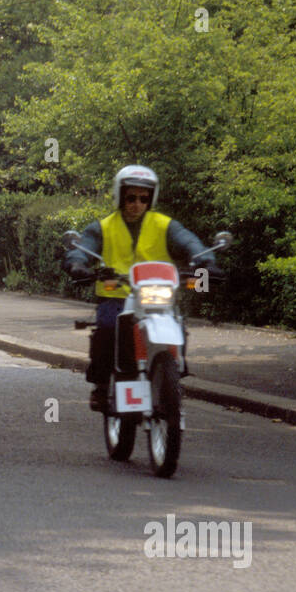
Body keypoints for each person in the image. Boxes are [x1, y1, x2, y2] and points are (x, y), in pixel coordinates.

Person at [63, 165, 217, 411]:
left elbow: (189, 242)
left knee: (178, 325)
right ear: (120, 196)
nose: (137, 203)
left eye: (143, 198)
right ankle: (102, 386)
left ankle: (173, 373)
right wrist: (77, 264)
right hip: (116, 295)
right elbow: (83, 246)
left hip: (156, 295)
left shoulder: (165, 225)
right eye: (131, 197)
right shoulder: (102, 227)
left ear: (151, 198)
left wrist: (205, 261)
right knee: (106, 329)